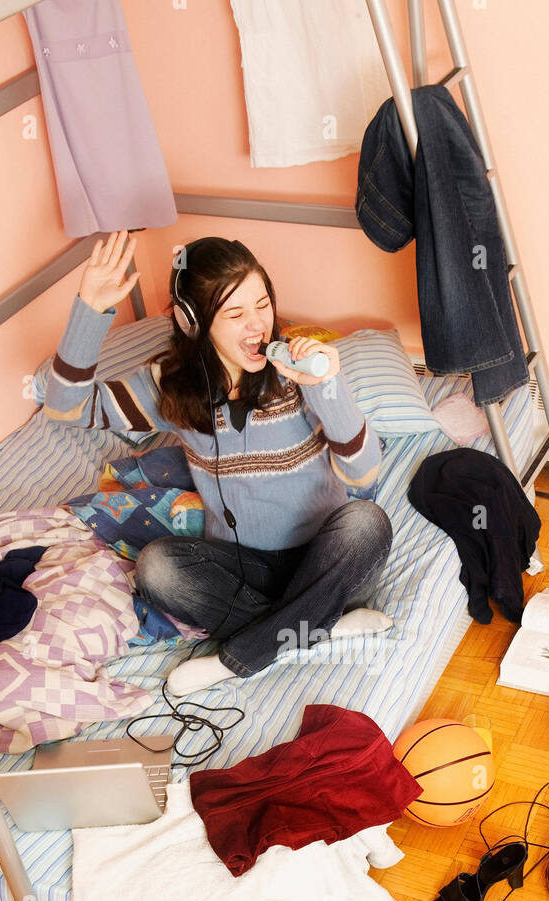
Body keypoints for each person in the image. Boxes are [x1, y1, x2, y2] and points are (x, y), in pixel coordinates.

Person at [44, 230, 393, 694]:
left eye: (263, 305)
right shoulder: (170, 384)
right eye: (235, 313)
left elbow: (364, 473)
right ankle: (316, 628)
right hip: (242, 569)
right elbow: (66, 407)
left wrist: (328, 386)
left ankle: (236, 659)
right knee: (156, 567)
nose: (257, 327)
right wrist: (89, 312)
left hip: (324, 560)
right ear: (193, 323)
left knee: (367, 522)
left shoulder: (298, 368)